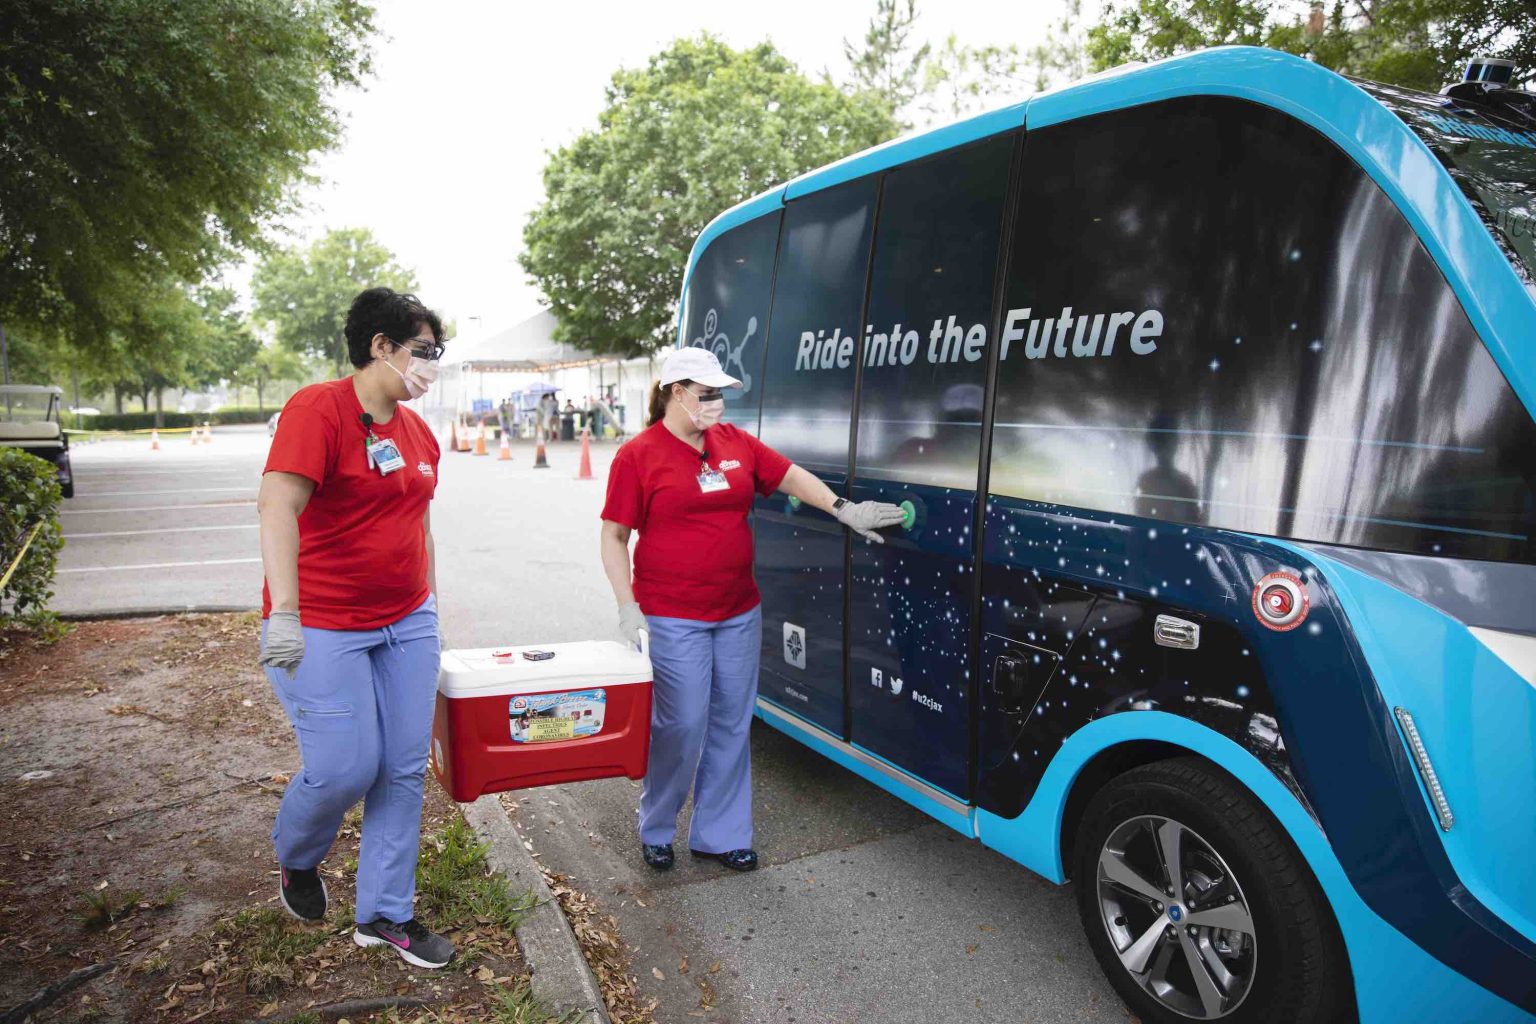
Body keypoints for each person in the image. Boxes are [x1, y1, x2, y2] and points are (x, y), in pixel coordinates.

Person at [599, 347, 905, 872]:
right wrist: (627, 605)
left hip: (738, 609)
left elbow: (789, 476)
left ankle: (721, 834)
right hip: (674, 614)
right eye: (708, 394)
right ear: (677, 393)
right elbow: (613, 535)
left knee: (731, 723)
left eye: (720, 394)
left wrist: (842, 508)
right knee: (683, 724)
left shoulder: (733, 443)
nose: (717, 404)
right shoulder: (638, 455)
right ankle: (656, 822)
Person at [255, 287, 456, 970]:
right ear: (381, 346)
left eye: (438, 354)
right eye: (424, 352)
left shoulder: (417, 432)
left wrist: (432, 607)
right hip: (321, 624)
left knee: (401, 770)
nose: (432, 366)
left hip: (406, 621)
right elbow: (277, 504)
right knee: (345, 766)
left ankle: (384, 915)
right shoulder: (319, 410)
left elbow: (419, 523)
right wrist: (284, 611)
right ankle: (298, 855)